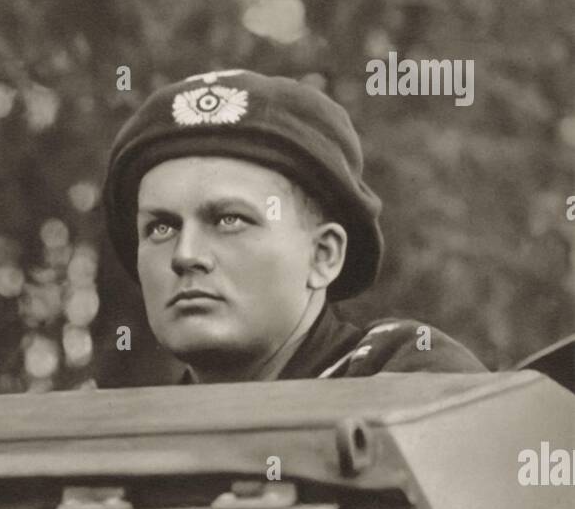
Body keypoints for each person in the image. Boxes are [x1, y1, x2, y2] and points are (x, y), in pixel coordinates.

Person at [102, 69, 486, 382]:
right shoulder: (133, 429)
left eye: (229, 220)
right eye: (162, 228)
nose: (185, 255)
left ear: (323, 256)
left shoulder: (407, 379)